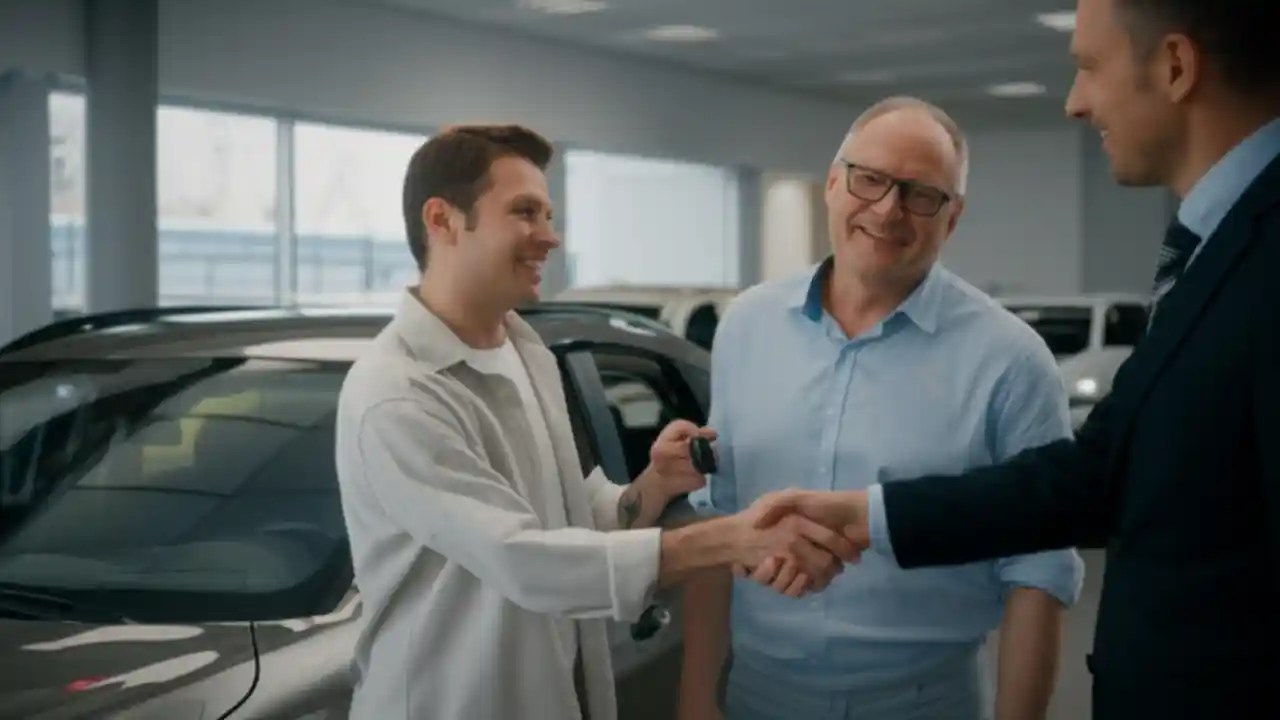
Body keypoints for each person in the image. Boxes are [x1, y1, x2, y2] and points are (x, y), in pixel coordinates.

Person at [741, 0, 1280, 717]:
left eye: (1089, 67)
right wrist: (867, 514)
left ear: (1176, 67)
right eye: (870, 179)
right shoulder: (1218, 247)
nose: (1076, 102)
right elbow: (1101, 474)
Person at [332, 124, 858, 720]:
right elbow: (521, 559)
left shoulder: (524, 351)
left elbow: (570, 514)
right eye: (524, 212)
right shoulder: (397, 393)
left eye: (549, 215)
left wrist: (653, 485)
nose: (550, 237)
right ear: (442, 220)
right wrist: (732, 538)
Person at [678, 97, 1084, 720]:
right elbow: (720, 518)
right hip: (757, 693)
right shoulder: (747, 326)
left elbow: (1040, 568)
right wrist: (696, 697)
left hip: (924, 703)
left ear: (953, 217)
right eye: (869, 179)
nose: (888, 209)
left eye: (922, 195)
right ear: (832, 183)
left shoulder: (1010, 359)